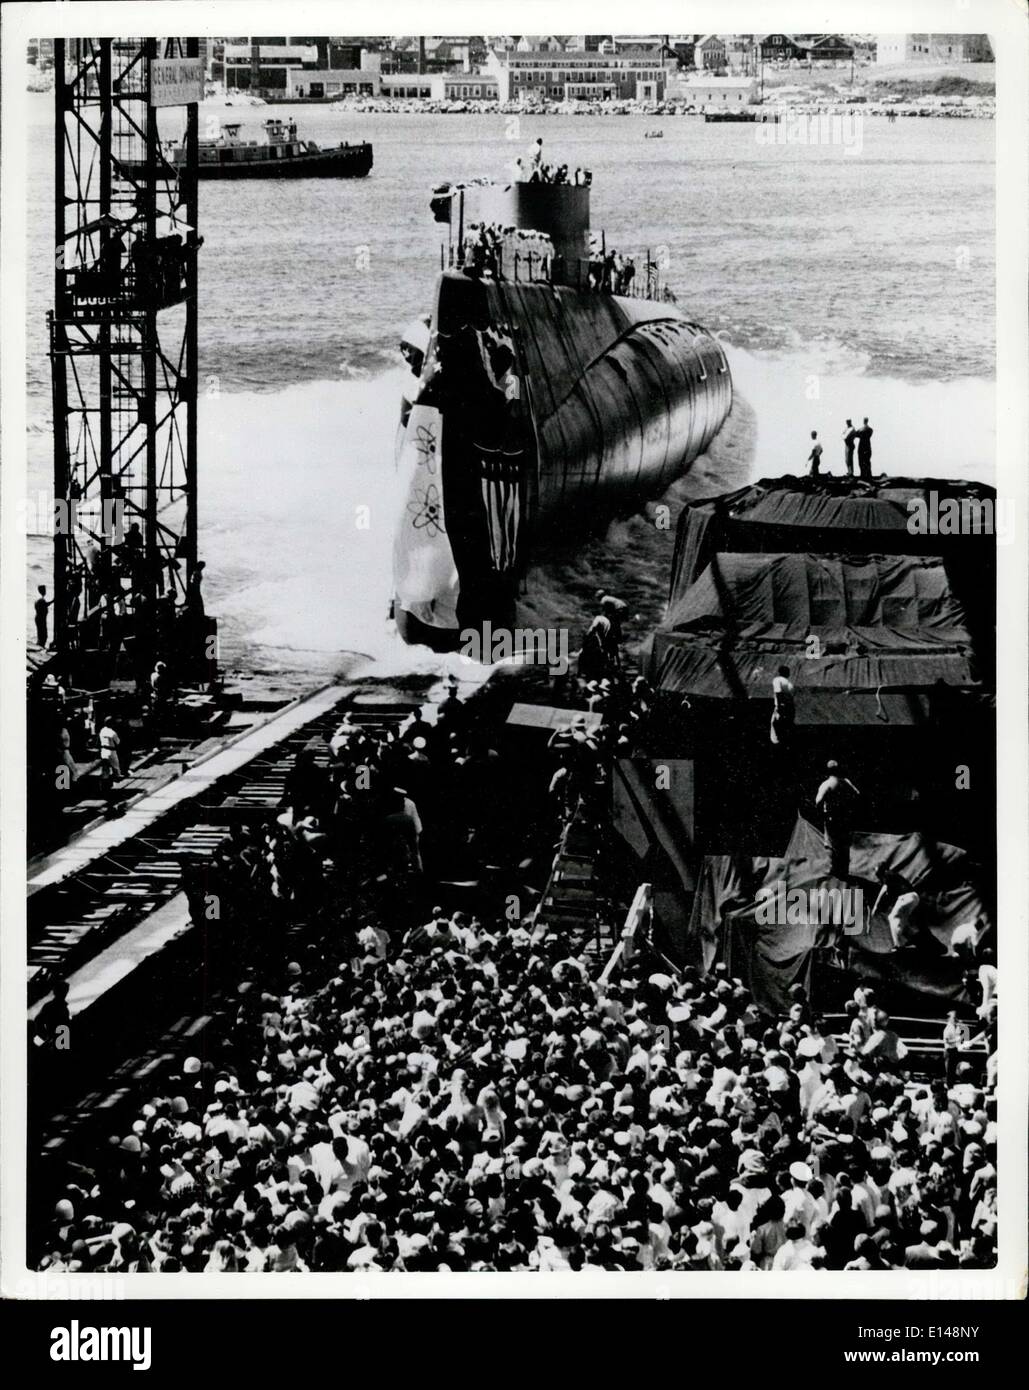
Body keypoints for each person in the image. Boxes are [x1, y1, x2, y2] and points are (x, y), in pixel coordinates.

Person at [814, 760, 860, 879]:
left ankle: (834, 873)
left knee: (832, 845)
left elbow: (818, 801)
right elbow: (857, 795)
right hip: (845, 819)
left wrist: (824, 810)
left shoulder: (826, 784)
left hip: (831, 819)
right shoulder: (846, 782)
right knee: (844, 845)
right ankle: (843, 872)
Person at [871, 865, 920, 951]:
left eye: (879, 874)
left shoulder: (888, 874)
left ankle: (898, 946)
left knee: (892, 917)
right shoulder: (894, 877)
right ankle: (914, 939)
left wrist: (876, 906)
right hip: (914, 897)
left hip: (906, 897)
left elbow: (884, 890)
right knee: (902, 921)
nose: (879, 877)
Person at [770, 665, 795, 747]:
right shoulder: (790, 684)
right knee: (785, 731)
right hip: (790, 710)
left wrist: (780, 708)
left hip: (782, 708)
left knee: (776, 728)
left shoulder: (777, 680)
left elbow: (778, 693)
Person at [942, 1011, 966, 1086]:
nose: (955, 1019)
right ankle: (949, 1086)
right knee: (949, 1071)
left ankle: (952, 1085)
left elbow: (959, 1036)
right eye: (953, 1017)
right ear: (949, 1018)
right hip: (949, 1051)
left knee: (953, 1070)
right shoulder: (947, 1028)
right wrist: (956, 1040)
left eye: (956, 1017)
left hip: (954, 1050)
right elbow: (947, 1041)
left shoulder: (955, 1027)